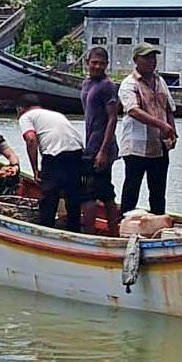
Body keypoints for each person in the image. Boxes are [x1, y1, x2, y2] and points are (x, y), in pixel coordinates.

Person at [118, 42, 177, 215]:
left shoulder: (160, 81)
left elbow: (169, 108)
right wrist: (161, 125)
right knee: (131, 189)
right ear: (136, 60)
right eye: (147, 57)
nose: (152, 61)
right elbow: (134, 111)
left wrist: (173, 132)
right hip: (136, 146)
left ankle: (158, 224)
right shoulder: (129, 84)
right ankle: (124, 224)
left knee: (158, 192)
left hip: (159, 145)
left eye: (153, 57)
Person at [15, 93, 86, 232]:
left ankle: (46, 231)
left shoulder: (26, 116)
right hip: (77, 153)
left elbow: (31, 139)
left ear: (20, 109)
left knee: (49, 197)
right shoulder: (55, 115)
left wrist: (35, 169)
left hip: (55, 155)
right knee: (73, 197)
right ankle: (75, 230)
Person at [80, 47, 120, 234]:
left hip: (103, 146)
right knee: (104, 189)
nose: (97, 66)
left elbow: (112, 118)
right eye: (94, 62)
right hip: (91, 143)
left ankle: (90, 233)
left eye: (101, 63)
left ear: (106, 65)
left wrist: (103, 150)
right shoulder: (86, 83)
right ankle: (113, 231)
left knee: (88, 192)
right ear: (87, 62)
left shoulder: (107, 86)